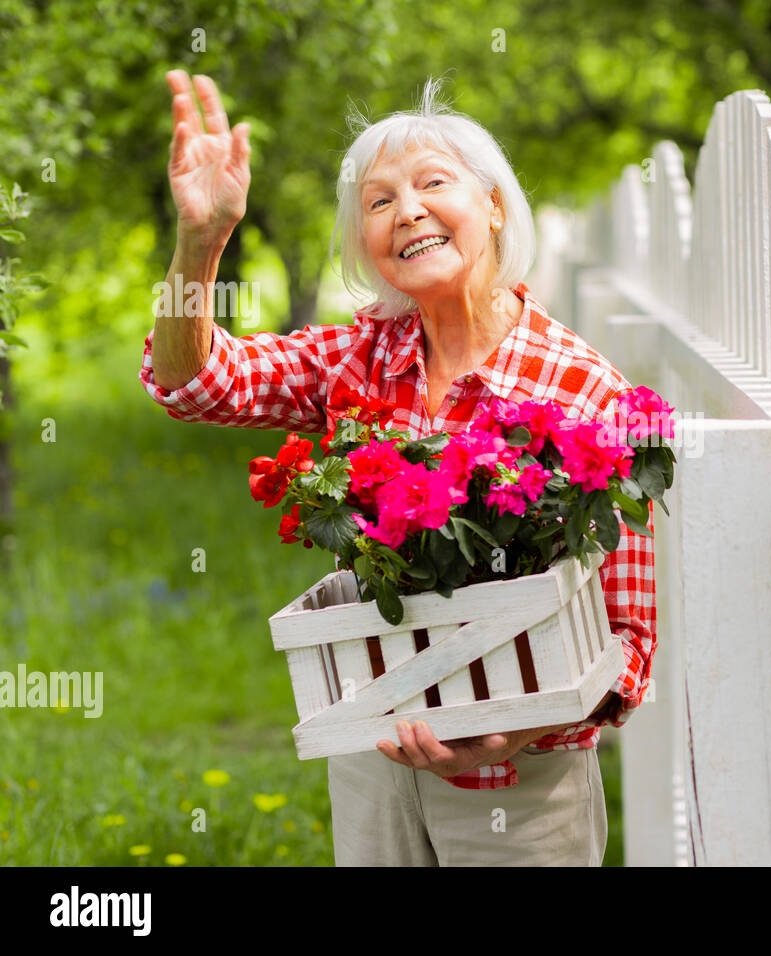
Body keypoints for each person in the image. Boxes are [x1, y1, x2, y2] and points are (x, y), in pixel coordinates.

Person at [139, 70, 656, 866]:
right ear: (367, 245)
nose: (406, 210)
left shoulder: (582, 386)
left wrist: (500, 734)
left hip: (521, 780)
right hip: (375, 747)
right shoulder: (358, 355)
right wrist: (202, 242)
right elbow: (197, 382)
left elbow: (627, 635)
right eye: (378, 202)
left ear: (492, 203)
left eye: (431, 183)